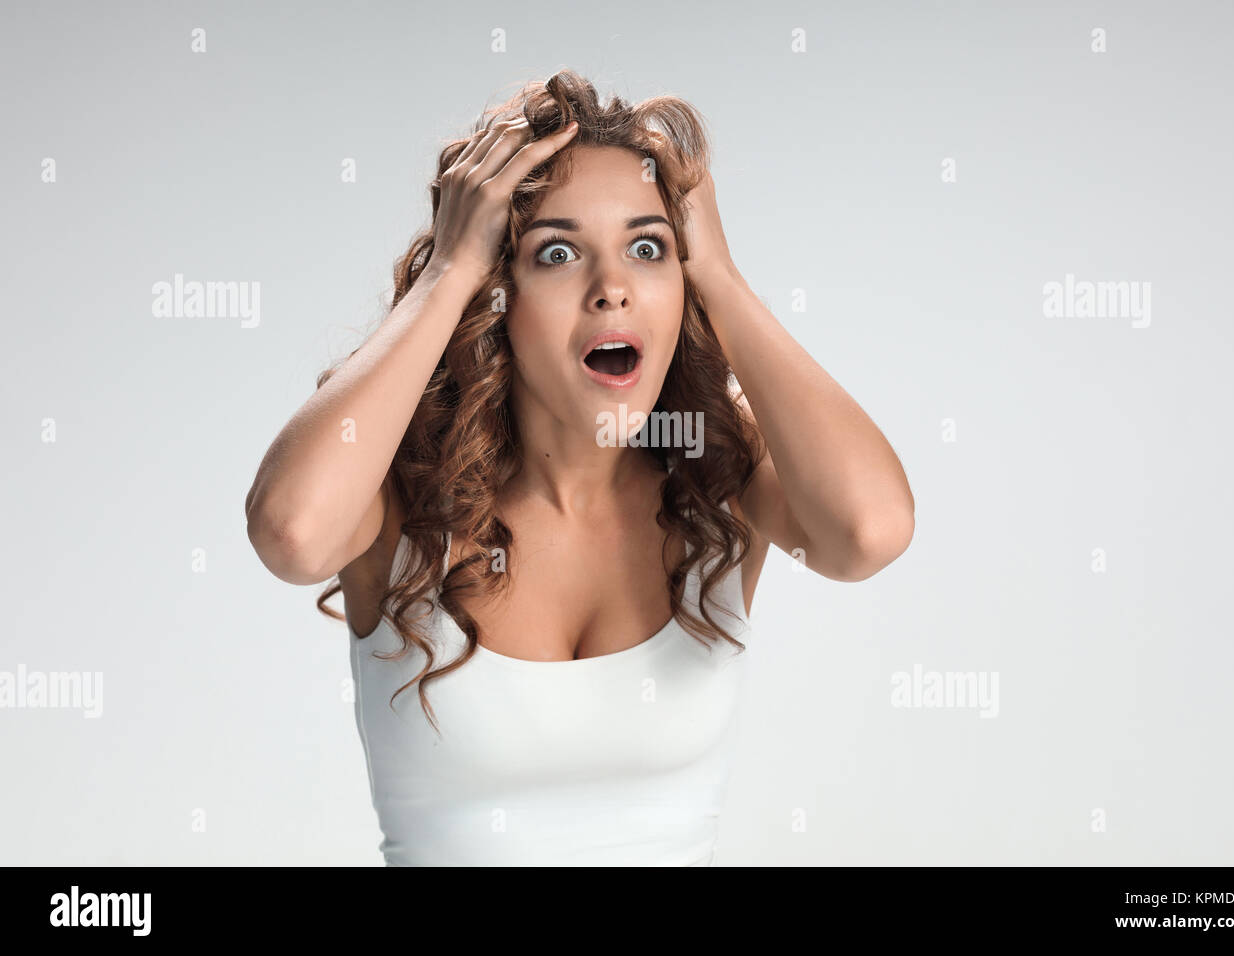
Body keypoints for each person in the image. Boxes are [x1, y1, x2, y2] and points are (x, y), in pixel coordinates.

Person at [244, 70, 915, 865]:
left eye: (648, 247)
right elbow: (289, 531)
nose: (613, 291)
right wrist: (450, 269)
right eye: (557, 253)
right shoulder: (393, 494)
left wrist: (723, 281)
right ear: (499, 294)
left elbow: (869, 532)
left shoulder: (718, 479)